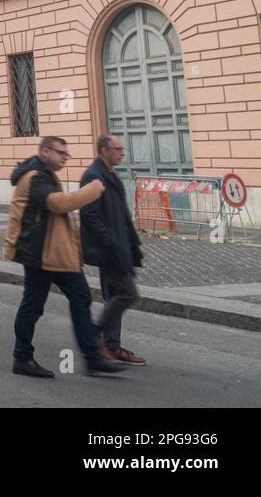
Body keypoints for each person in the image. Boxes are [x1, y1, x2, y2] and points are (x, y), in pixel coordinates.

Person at [5, 136, 122, 377]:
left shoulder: (45, 173)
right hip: (39, 254)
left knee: (81, 299)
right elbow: (57, 204)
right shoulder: (34, 176)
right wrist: (92, 190)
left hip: (57, 255)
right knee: (33, 306)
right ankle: (22, 357)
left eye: (66, 154)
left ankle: (92, 358)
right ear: (46, 151)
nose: (65, 158)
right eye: (61, 153)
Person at [80, 136, 146, 366]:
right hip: (110, 250)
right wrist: (110, 241)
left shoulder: (108, 173)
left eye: (122, 149)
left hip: (119, 246)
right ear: (104, 150)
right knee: (128, 294)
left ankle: (112, 345)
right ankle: (96, 333)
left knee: (113, 296)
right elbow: (90, 214)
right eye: (117, 149)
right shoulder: (93, 175)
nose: (122, 153)